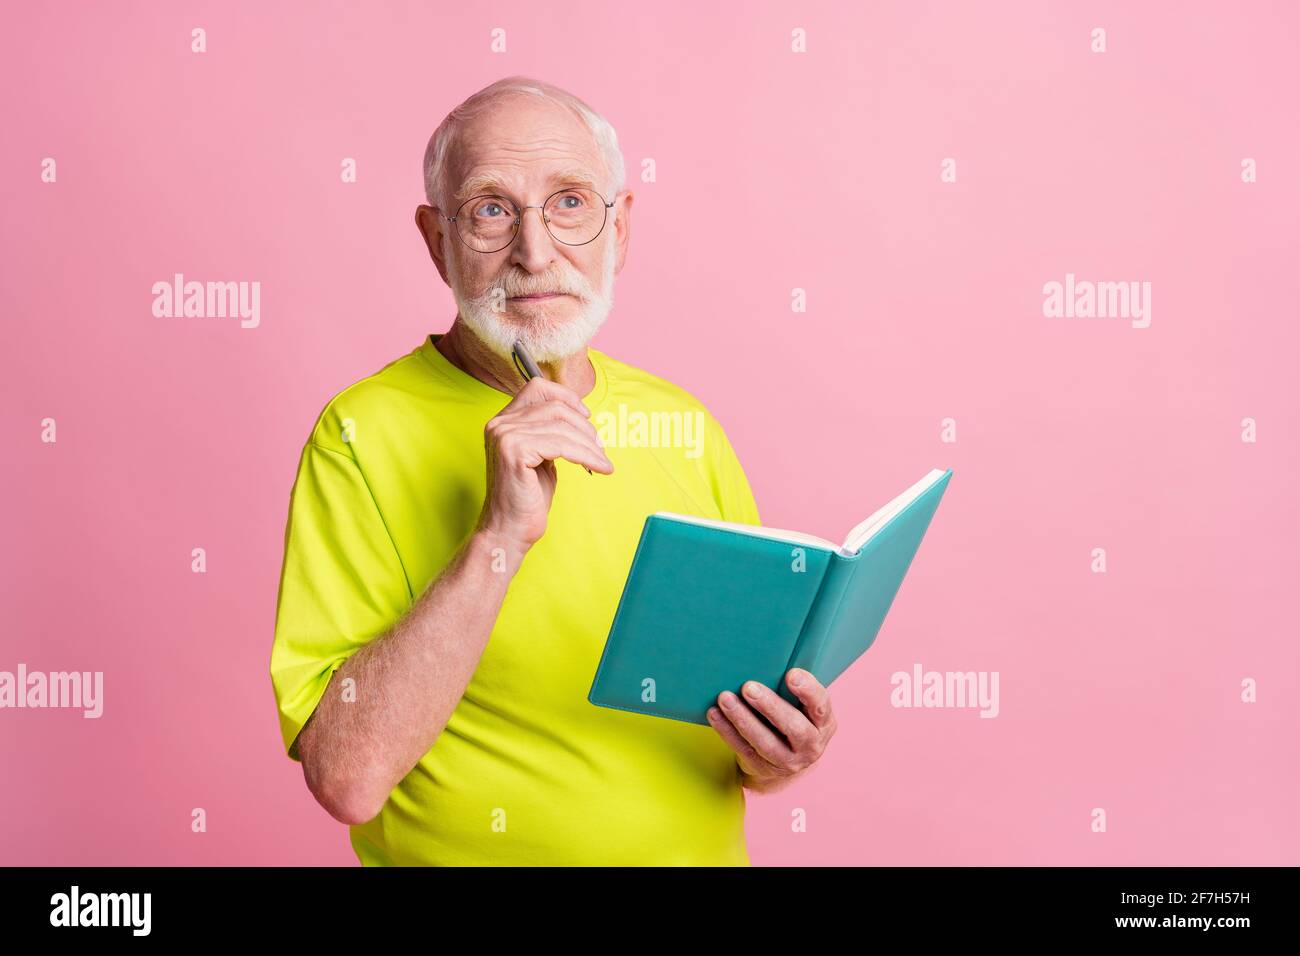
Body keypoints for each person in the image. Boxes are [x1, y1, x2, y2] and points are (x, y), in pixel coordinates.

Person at [269, 76, 837, 866]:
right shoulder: (359, 435)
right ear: (438, 243)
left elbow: (736, 733)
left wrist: (779, 752)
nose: (535, 253)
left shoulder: (686, 426)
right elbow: (348, 778)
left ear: (622, 227)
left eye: (570, 202)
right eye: (491, 210)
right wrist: (499, 536)